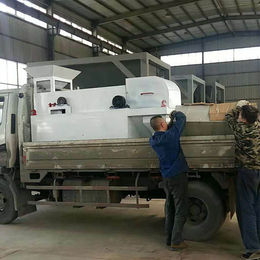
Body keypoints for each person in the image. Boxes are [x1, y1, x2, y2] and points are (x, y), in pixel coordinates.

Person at [149, 110, 189, 251]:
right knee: (181, 210)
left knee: (170, 208)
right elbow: (182, 118)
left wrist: (170, 122)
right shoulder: (171, 137)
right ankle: (176, 241)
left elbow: (168, 131)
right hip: (178, 176)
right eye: (164, 122)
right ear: (161, 124)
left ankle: (168, 239)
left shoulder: (153, 140)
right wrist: (174, 113)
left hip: (166, 177)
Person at [225, 100, 260, 260]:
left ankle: (252, 248)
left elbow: (227, 116)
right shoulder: (258, 125)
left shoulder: (241, 129)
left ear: (244, 119)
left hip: (247, 173)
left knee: (246, 210)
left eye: (240, 115)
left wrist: (239, 106)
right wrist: (248, 108)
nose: (238, 116)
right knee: (258, 209)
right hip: (259, 171)